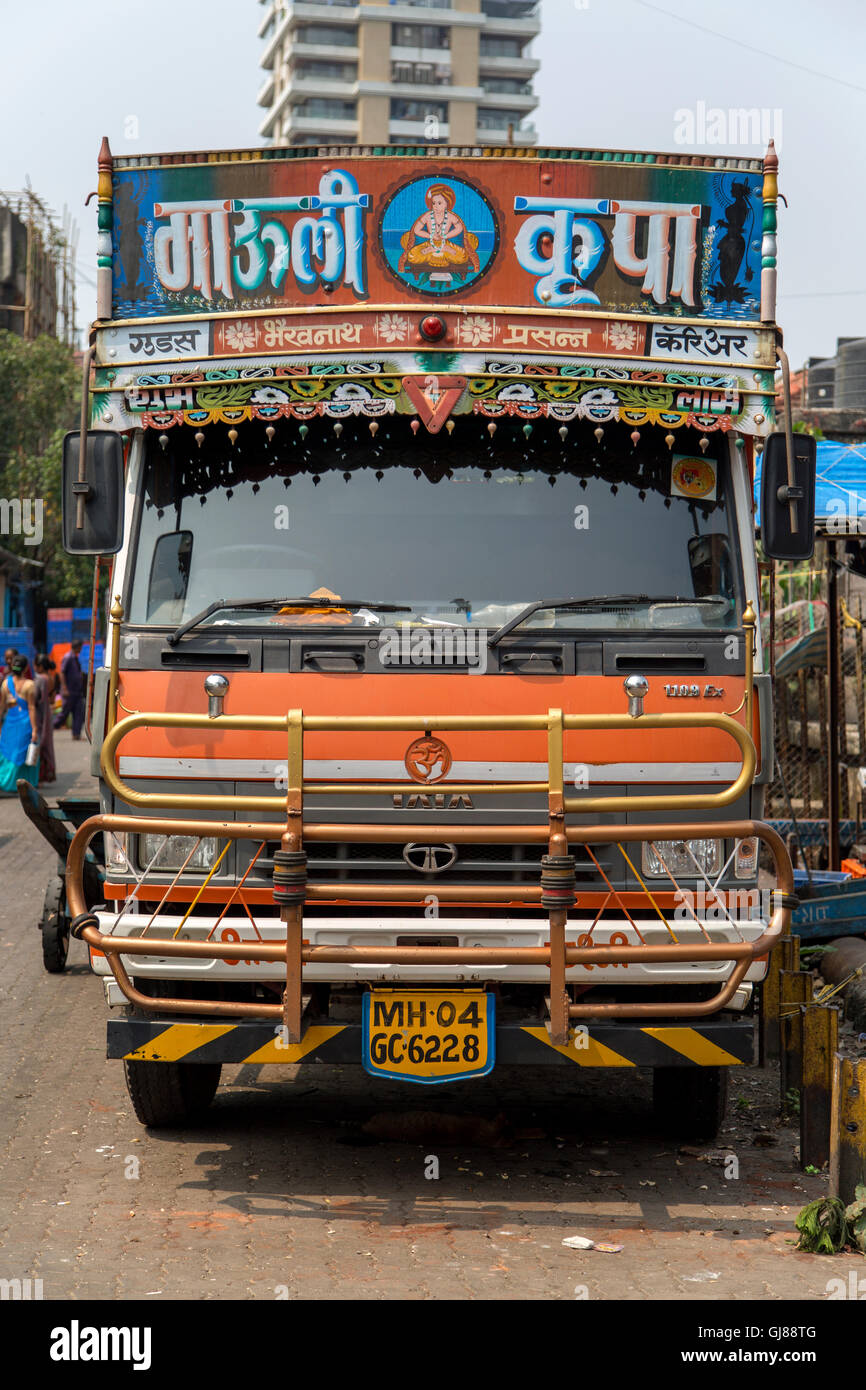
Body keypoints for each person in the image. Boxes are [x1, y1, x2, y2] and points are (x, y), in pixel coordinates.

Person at [0, 654, 40, 794]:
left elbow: (2, 706)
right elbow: (31, 707)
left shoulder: (6, 683)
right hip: (25, 723)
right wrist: (35, 729)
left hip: (9, 723)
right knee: (23, 753)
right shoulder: (30, 685)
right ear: (25, 668)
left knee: (8, 752)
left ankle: (6, 782)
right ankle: (25, 783)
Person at [54, 639, 85, 740]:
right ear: (78, 647)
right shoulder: (68, 657)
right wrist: (64, 688)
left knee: (78, 713)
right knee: (64, 713)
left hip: (76, 691)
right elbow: (62, 672)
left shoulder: (75, 658)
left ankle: (76, 734)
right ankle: (52, 727)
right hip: (69, 691)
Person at [33, 653, 57, 783]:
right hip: (48, 711)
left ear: (40, 666)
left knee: (40, 742)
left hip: (39, 712)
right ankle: (47, 774)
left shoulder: (40, 679)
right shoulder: (51, 678)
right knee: (47, 743)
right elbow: (52, 700)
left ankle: (39, 777)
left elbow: (36, 698)